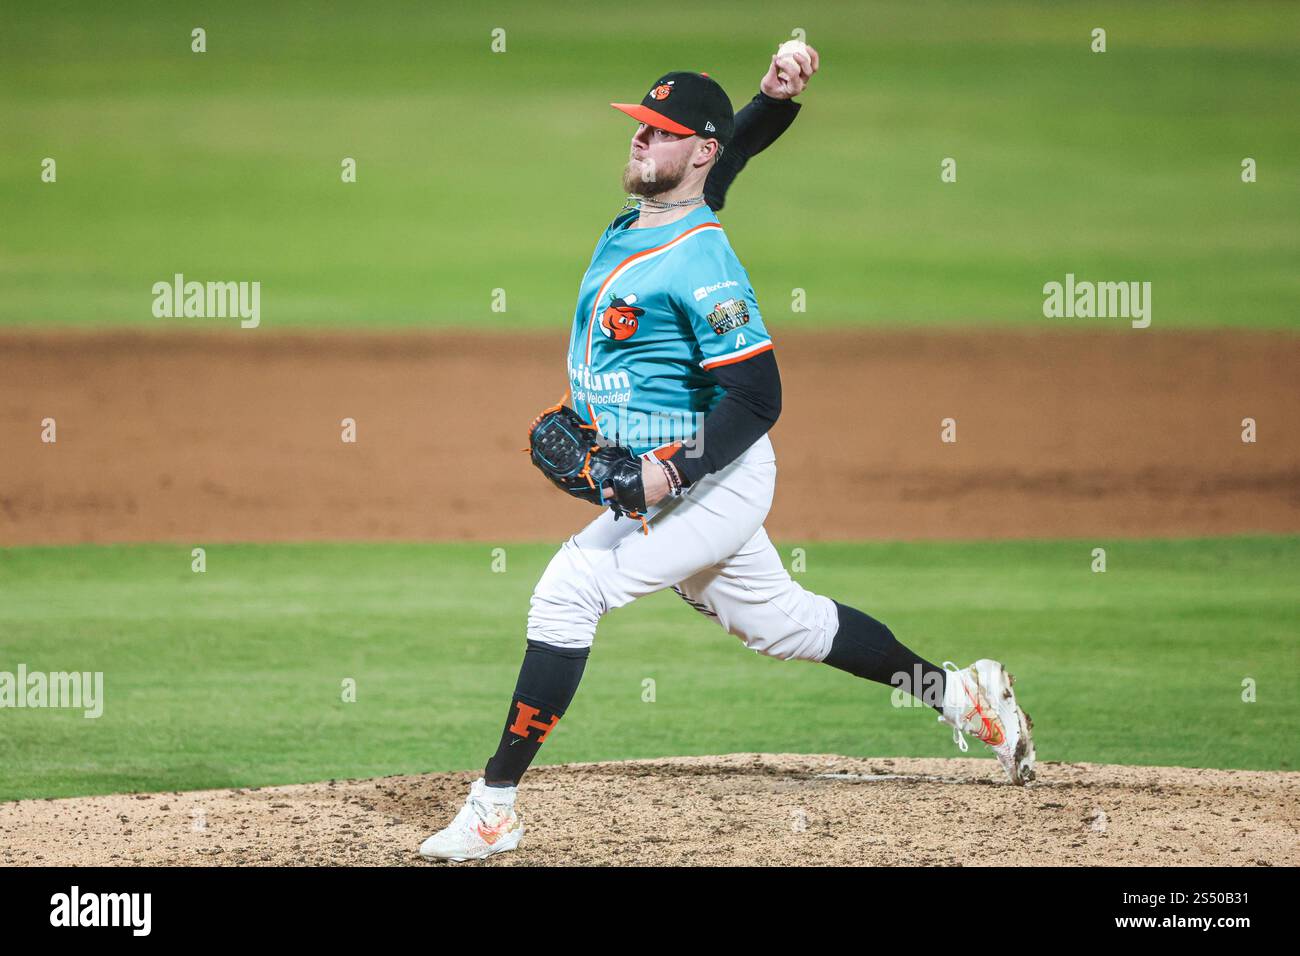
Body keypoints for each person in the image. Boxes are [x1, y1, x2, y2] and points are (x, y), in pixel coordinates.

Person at [420, 46, 1035, 863]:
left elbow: (759, 397)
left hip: (715, 476)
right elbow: (731, 151)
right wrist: (772, 101)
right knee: (784, 624)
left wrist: (664, 470)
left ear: (694, 152)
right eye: (641, 127)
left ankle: (493, 807)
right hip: (680, 476)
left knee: (569, 592)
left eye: (664, 135)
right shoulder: (655, 214)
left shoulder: (705, 262)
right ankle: (963, 696)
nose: (642, 142)